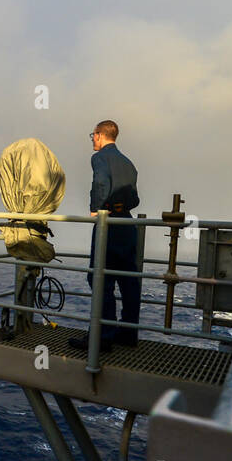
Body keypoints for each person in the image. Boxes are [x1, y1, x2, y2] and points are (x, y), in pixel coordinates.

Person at [70, 120, 141, 352]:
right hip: (127, 225)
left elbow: (100, 182)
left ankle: (102, 338)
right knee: (128, 279)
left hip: (108, 224)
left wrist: (96, 208)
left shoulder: (99, 158)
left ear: (100, 135)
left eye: (93, 135)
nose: (92, 139)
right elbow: (135, 199)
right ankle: (129, 333)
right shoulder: (128, 163)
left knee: (99, 279)